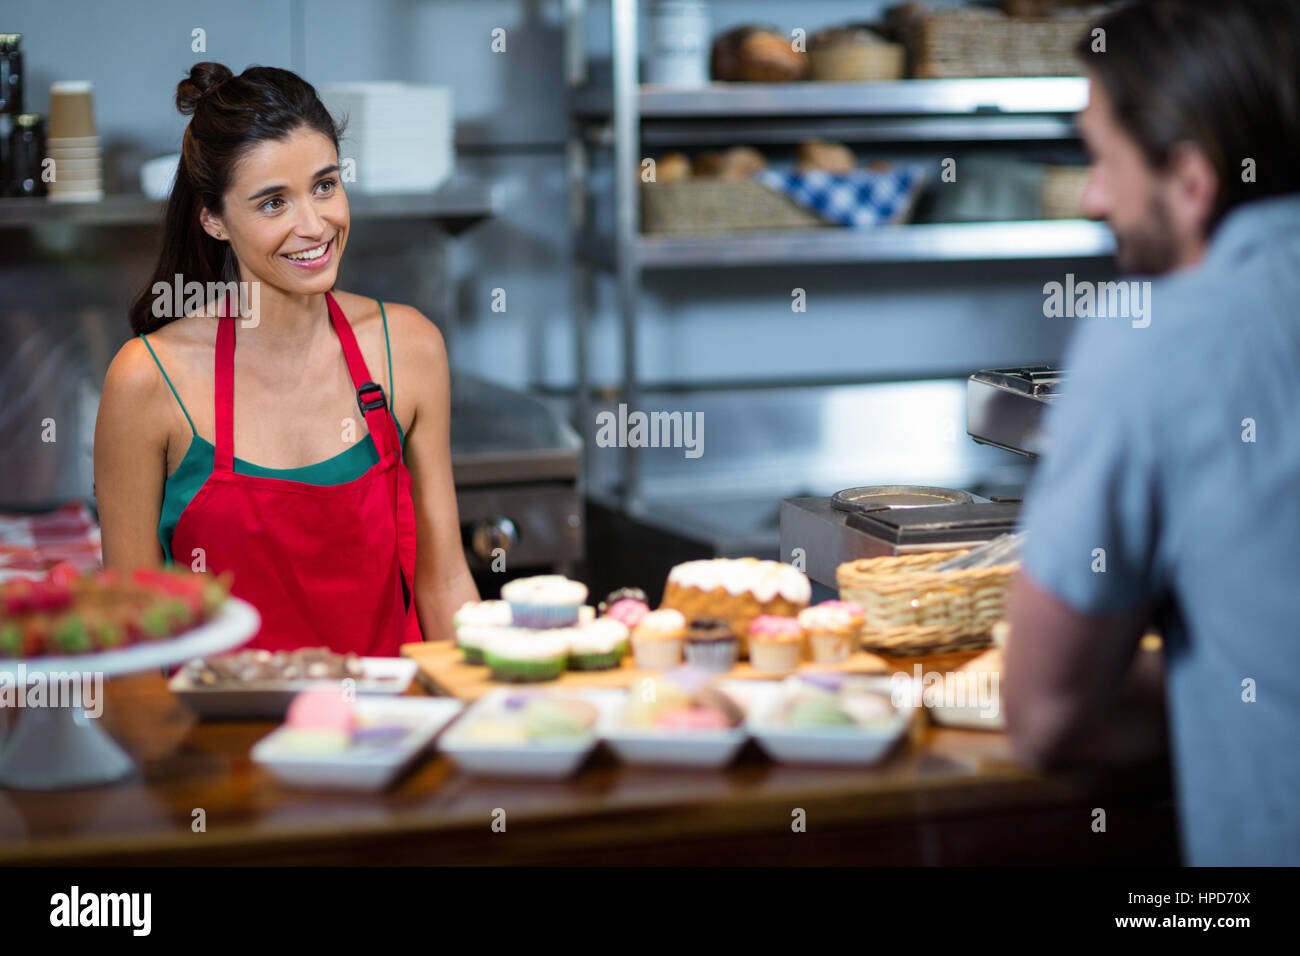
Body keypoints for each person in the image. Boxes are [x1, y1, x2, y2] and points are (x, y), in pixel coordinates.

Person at [1005, 0, 1300, 866]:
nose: (1095, 197)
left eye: (1101, 158)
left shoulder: (1162, 334)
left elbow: (1047, 716)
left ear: (1193, 179)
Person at [93, 63, 479, 654]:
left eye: (325, 185)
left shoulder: (409, 348)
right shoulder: (147, 379)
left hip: (385, 732)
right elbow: (132, 629)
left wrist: (492, 718)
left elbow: (445, 582)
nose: (314, 225)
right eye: (273, 203)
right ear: (213, 219)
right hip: (221, 740)